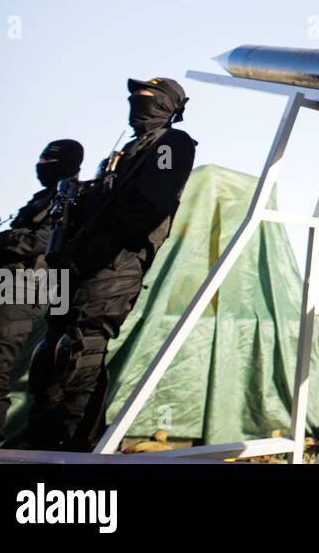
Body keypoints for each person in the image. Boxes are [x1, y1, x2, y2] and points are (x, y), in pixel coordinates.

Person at [26, 77, 196, 451]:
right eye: (134, 96)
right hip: (81, 263)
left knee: (80, 352)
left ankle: (79, 444)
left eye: (147, 96)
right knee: (52, 350)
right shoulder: (124, 151)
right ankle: (44, 438)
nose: (137, 101)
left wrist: (97, 245)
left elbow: (151, 205)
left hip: (117, 262)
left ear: (167, 105)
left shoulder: (171, 144)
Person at [0, 140, 83, 447]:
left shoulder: (70, 197)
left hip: (18, 294)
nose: (41, 163)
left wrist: (3, 239)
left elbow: (45, 240)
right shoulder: (43, 199)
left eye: (49, 159)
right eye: (42, 157)